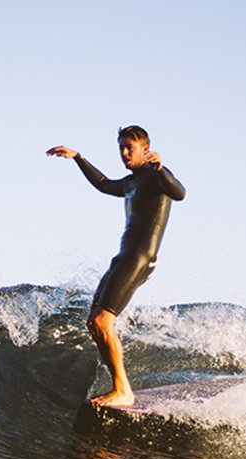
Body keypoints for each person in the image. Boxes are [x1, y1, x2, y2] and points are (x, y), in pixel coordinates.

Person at [47, 125, 186, 407]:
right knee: (93, 321)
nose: (124, 153)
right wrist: (78, 158)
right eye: (121, 147)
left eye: (129, 148)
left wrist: (161, 168)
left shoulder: (156, 177)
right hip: (124, 256)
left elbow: (179, 193)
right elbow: (103, 184)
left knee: (103, 321)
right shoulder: (130, 183)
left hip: (140, 256)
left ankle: (123, 390)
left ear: (145, 150)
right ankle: (120, 386)